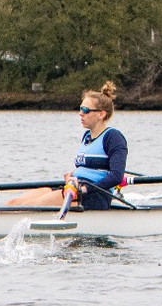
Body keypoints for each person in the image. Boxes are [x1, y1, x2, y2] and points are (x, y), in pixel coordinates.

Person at [10, 81, 128, 210]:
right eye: (80, 109)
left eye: (86, 110)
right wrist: (72, 173)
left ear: (101, 114)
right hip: (74, 187)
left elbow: (116, 176)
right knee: (13, 203)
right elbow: (90, 167)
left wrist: (84, 189)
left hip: (94, 195)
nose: (80, 113)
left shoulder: (113, 137)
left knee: (29, 206)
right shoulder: (87, 136)